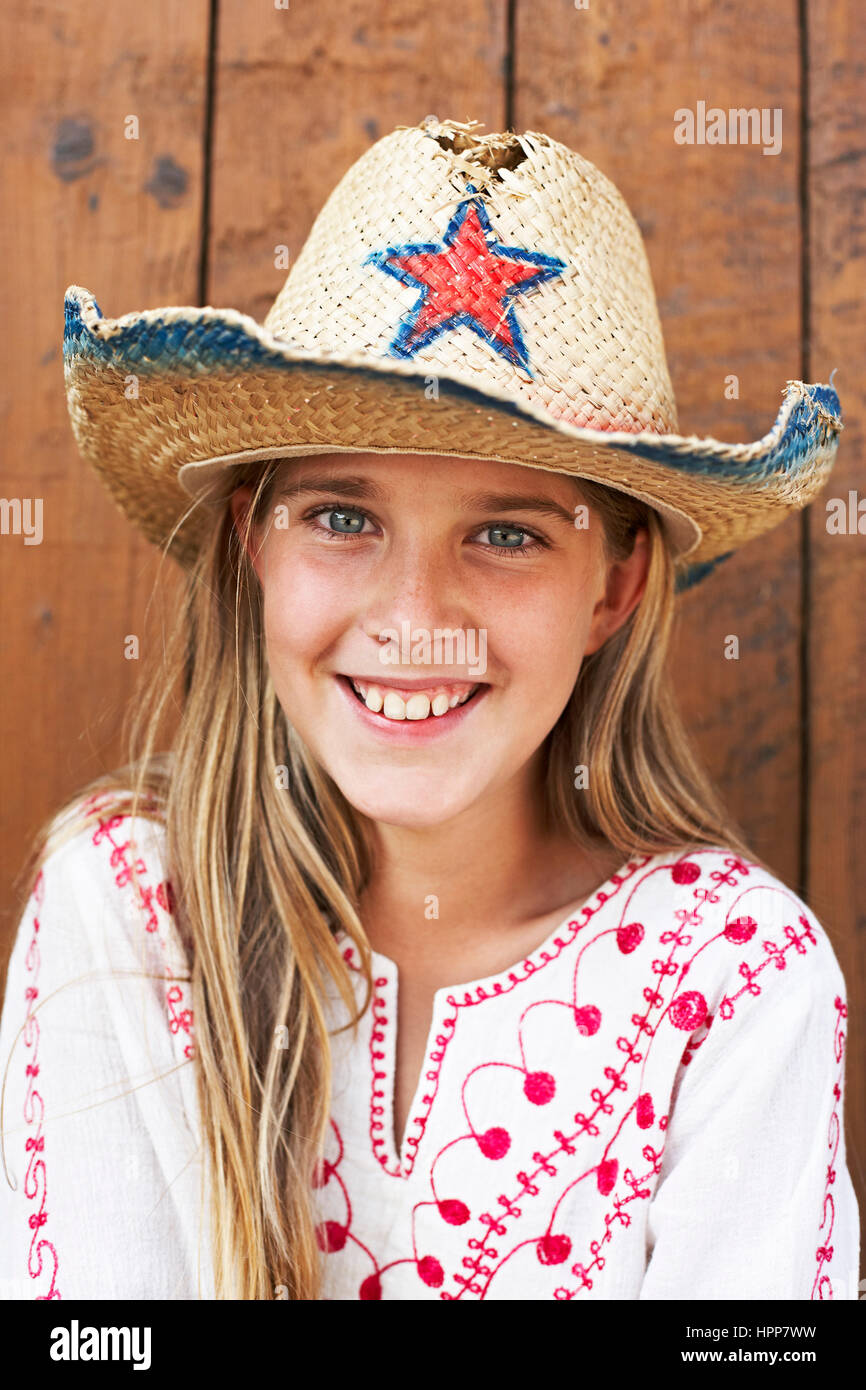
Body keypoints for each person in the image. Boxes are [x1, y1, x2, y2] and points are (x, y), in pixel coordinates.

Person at [1, 117, 858, 1301]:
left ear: (611, 587)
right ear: (254, 544)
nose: (414, 620)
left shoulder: (736, 978)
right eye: (341, 518)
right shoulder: (135, 912)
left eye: (504, 534)